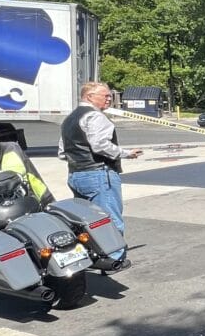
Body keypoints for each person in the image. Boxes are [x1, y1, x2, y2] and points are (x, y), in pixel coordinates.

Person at [58, 81, 142, 268]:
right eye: (105, 96)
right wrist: (127, 153)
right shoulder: (95, 116)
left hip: (76, 175)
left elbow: (62, 152)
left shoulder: (69, 119)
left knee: (86, 220)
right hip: (98, 173)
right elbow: (100, 145)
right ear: (89, 96)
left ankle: (92, 253)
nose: (109, 99)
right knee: (109, 218)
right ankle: (114, 258)